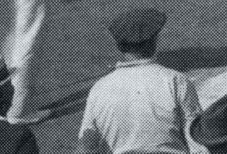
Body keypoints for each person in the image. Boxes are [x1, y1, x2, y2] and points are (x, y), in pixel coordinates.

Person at [70, 9, 196, 154]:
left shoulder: (98, 89)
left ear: (119, 47)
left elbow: (85, 146)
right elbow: (196, 139)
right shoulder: (176, 81)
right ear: (155, 40)